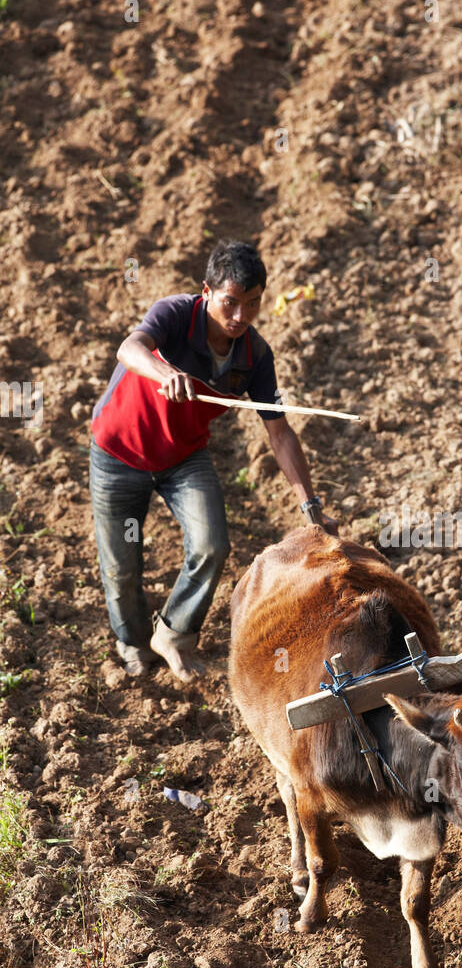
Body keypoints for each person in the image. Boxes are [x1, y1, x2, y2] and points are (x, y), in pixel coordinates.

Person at [89, 239, 338, 682]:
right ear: (206, 292)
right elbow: (129, 348)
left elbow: (279, 432)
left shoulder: (255, 357)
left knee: (212, 545)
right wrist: (167, 373)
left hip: (184, 458)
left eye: (253, 304)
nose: (241, 317)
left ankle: (174, 633)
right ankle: (131, 643)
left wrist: (311, 506)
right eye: (230, 303)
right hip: (118, 452)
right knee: (121, 564)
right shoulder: (175, 314)